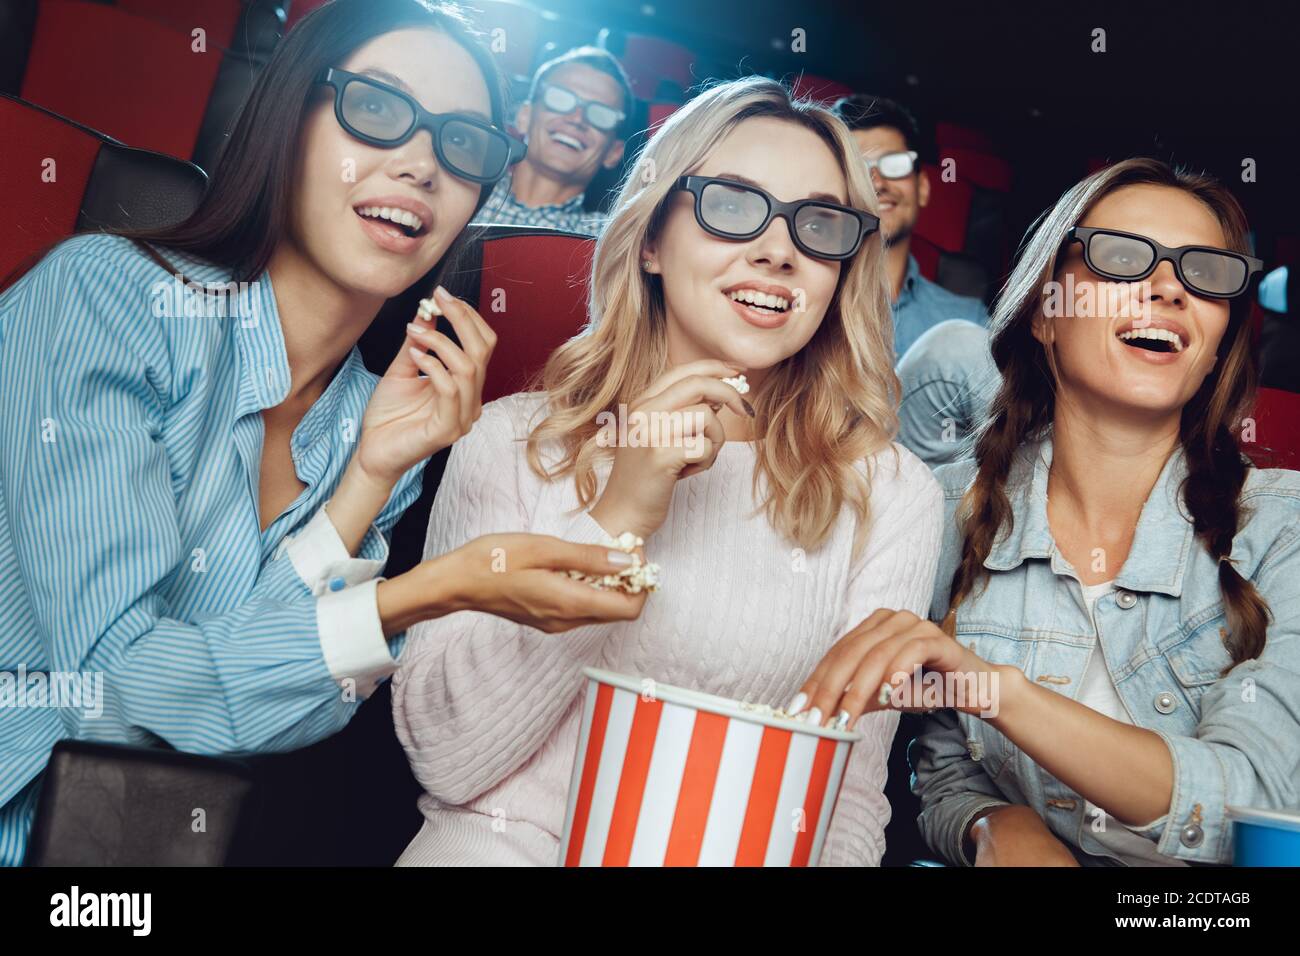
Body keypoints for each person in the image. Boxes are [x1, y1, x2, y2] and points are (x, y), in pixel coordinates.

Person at [0, 0, 645, 868]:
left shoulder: (383, 428)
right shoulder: (106, 298)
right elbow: (124, 687)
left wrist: (370, 478)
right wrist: (425, 591)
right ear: (290, 121)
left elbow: (232, 715)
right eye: (376, 110)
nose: (421, 164)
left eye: (462, 144)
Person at [391, 77, 944, 867]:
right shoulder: (512, 441)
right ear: (651, 239)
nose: (779, 251)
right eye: (731, 204)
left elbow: (845, 806)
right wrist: (618, 521)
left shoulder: (891, 495)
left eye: (819, 223)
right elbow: (449, 758)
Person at [789, 158, 1297, 866]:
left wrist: (999, 691)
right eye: (1122, 258)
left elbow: (1260, 803)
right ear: (1044, 314)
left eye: (1205, 273)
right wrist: (989, 822)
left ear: (1215, 349)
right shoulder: (938, 509)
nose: (1169, 289)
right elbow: (941, 760)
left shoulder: (1284, 530)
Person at [831, 93, 988, 361]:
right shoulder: (810, 302)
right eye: (859, 168)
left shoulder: (967, 319)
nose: (877, 182)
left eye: (895, 165)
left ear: (923, 188)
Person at [475, 46, 632, 235]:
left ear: (613, 153)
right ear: (524, 117)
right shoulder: (465, 192)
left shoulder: (608, 242)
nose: (577, 119)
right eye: (560, 99)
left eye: (601, 115)